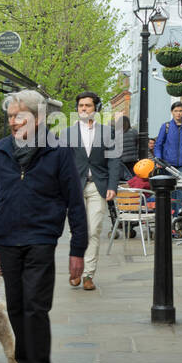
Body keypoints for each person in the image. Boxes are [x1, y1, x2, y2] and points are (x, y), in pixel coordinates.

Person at [0, 90, 87, 363]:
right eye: (11, 117)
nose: (13, 122)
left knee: (36, 307)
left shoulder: (58, 151)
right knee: (15, 306)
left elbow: (75, 203)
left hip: (41, 239)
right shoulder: (0, 151)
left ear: (38, 119)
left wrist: (77, 250)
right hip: (8, 240)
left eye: (19, 116)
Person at [62, 90, 121, 292]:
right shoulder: (67, 133)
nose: (84, 109)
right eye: (81, 106)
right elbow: (60, 163)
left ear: (95, 108)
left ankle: (88, 274)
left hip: (98, 185)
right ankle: (76, 270)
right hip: (74, 187)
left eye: (88, 105)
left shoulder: (107, 132)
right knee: (77, 231)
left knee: (93, 230)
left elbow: (114, 160)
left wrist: (113, 185)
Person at [154, 102, 182, 171]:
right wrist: (158, 159)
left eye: (180, 111)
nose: (178, 113)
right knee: (170, 182)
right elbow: (158, 145)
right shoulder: (166, 126)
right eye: (176, 111)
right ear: (172, 112)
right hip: (168, 164)